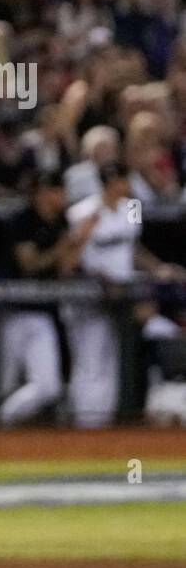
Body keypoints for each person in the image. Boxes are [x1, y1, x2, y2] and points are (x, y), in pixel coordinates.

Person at [63, 160, 185, 427]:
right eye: (117, 180)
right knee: (90, 362)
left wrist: (159, 268)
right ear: (107, 183)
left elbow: (133, 249)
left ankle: (100, 428)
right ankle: (83, 427)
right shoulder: (82, 211)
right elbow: (71, 262)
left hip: (122, 295)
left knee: (110, 363)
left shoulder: (131, 207)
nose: (122, 185)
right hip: (89, 295)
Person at [0, 171, 76, 426]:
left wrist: (76, 243)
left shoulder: (61, 222)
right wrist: (62, 248)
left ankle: (0, 421)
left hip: (43, 313)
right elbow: (29, 264)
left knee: (49, 386)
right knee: (0, 384)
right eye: (57, 190)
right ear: (43, 193)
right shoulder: (22, 219)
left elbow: (64, 269)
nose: (62, 196)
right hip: (11, 312)